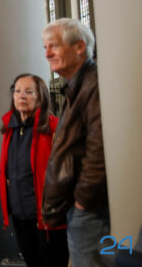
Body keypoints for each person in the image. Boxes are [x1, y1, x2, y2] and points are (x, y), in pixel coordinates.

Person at [41, 18, 108, 266]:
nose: (47, 53)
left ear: (79, 47)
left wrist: (83, 201)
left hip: (91, 208)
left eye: (54, 45)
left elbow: (99, 148)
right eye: (45, 47)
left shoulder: (94, 83)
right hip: (80, 206)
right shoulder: (77, 86)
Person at [0, 73, 68, 267]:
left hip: (48, 218)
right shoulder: (10, 130)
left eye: (29, 92)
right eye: (18, 91)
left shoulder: (53, 127)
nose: (22, 96)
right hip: (20, 215)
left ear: (41, 97)